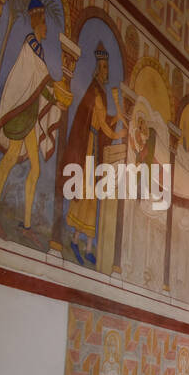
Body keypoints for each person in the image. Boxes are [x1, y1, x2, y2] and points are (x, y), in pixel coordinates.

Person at [0, 0, 68, 234]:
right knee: (10, 159)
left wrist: (56, 96)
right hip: (21, 115)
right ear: (37, 23)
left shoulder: (39, 49)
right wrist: (57, 90)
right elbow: (38, 80)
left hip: (30, 119)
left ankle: (26, 225)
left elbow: (41, 84)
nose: (46, 28)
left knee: (35, 168)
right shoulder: (31, 45)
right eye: (44, 23)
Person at [61, 43, 123, 265]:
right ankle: (76, 241)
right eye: (104, 67)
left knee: (92, 198)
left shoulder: (102, 93)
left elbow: (105, 120)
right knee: (85, 196)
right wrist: (122, 130)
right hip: (89, 146)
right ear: (98, 69)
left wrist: (117, 119)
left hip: (94, 147)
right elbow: (104, 127)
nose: (106, 72)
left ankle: (86, 245)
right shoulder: (95, 92)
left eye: (108, 67)